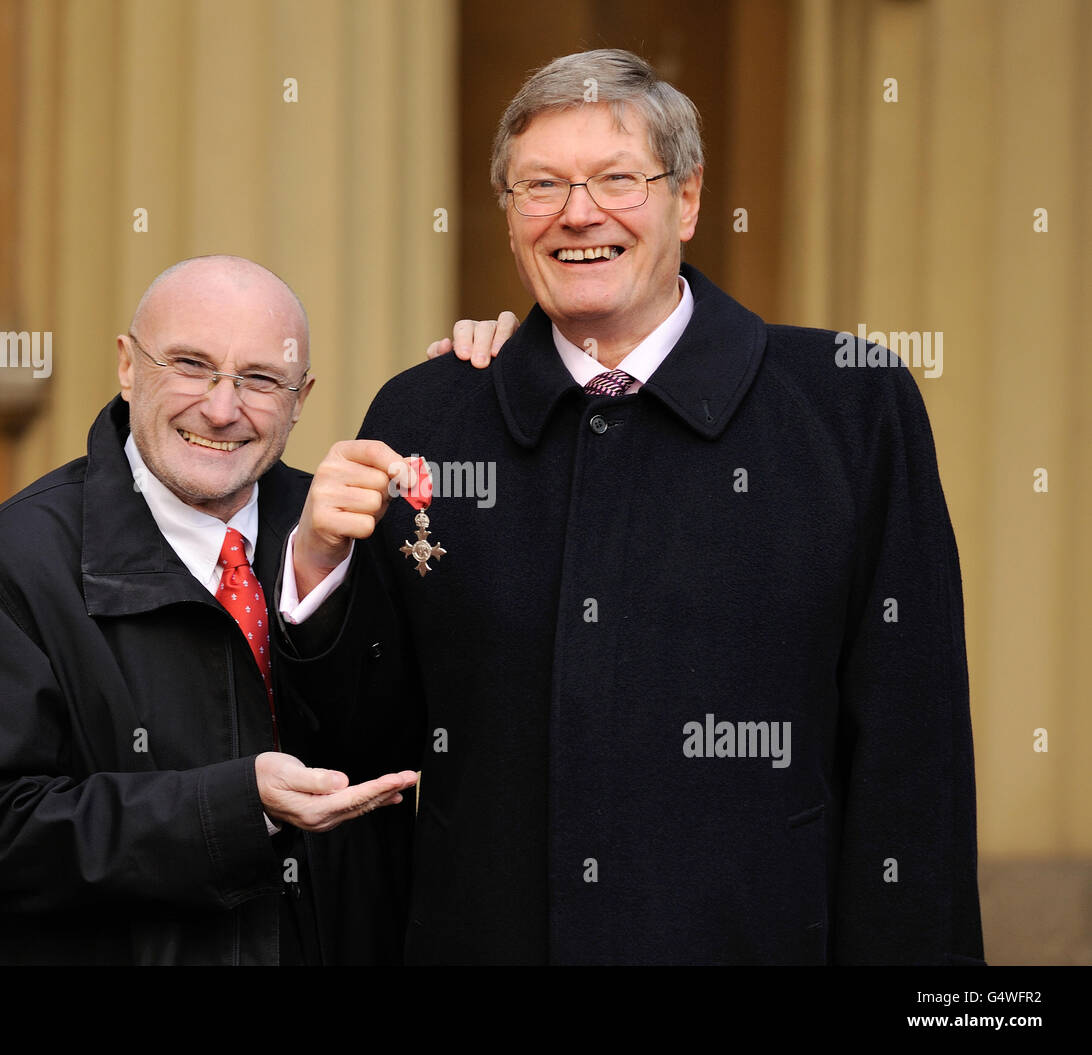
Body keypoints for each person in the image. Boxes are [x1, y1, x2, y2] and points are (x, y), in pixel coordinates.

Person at [277, 49, 985, 964]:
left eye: (618, 179)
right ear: (507, 216)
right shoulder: (426, 415)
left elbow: (911, 758)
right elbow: (364, 752)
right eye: (541, 185)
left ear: (687, 200)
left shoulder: (851, 408)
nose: (579, 213)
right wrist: (314, 570)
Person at [0, 255, 427, 964]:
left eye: (259, 378)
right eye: (190, 365)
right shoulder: (6, 567)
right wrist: (235, 806)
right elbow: (0, 840)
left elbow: (422, 744)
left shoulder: (351, 539)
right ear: (128, 366)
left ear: (301, 396)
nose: (222, 409)